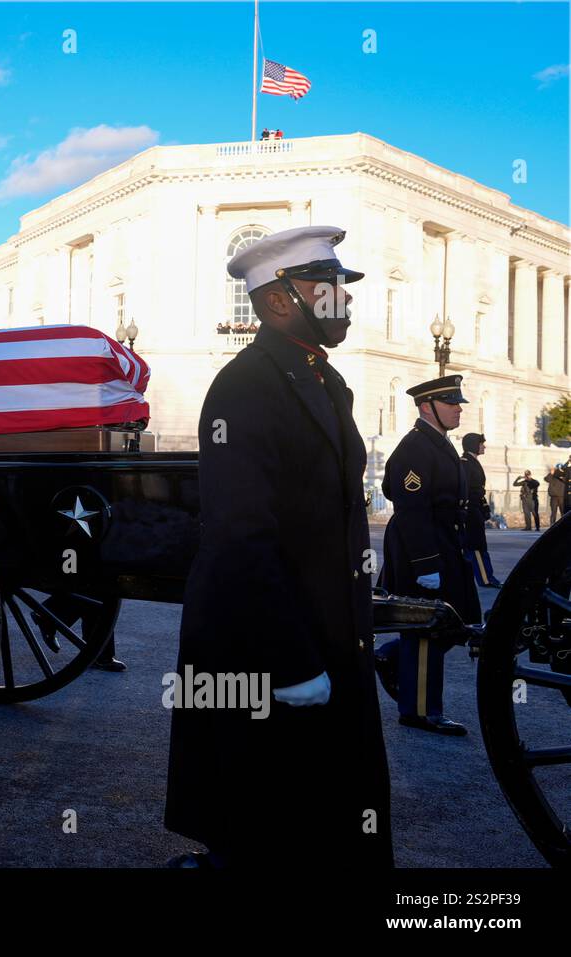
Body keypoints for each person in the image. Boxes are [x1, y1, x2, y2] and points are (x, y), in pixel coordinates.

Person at [164, 226, 392, 868]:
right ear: (278, 299)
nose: (343, 300)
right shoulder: (247, 387)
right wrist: (288, 660)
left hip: (323, 627)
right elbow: (239, 538)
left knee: (323, 814)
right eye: (329, 288)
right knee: (272, 817)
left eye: (343, 287)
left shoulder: (323, 381)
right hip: (270, 646)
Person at [375, 376, 482, 735]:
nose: (458, 409)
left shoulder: (437, 443)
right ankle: (421, 711)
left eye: (458, 403)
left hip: (443, 543)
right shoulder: (415, 448)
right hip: (421, 547)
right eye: (451, 403)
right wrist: (425, 565)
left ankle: (390, 655)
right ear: (426, 407)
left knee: (455, 622)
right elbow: (412, 510)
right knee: (426, 630)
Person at [461, 433, 501, 588]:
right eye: (481, 443)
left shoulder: (471, 462)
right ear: (473, 445)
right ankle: (485, 578)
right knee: (476, 546)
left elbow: (478, 489)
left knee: (476, 545)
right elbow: (464, 489)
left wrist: (484, 507)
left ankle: (480, 577)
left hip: (475, 508)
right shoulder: (465, 463)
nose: (484, 446)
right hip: (469, 511)